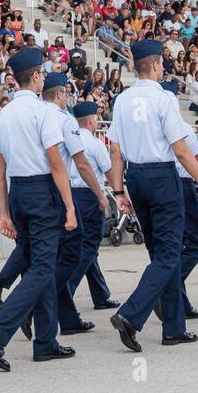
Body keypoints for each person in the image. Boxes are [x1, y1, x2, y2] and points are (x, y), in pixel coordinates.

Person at [106, 41, 198, 352]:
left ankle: (174, 327)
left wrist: (119, 190)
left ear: (135, 66)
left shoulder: (121, 100)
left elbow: (115, 150)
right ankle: (131, 314)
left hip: (136, 175)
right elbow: (182, 150)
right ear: (157, 65)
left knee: (160, 254)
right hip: (161, 176)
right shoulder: (164, 98)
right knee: (171, 253)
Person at [0, 47, 76, 370]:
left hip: (18, 191)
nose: (43, 77)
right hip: (43, 190)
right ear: (34, 77)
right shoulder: (44, 112)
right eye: (42, 73)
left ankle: (45, 341)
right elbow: (57, 164)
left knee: (35, 262)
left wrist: (3, 211)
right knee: (44, 267)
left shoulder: (3, 115)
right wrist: (70, 208)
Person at [41, 70, 104, 336]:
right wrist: (102, 195)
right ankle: (34, 302)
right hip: (63, 192)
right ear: (59, 94)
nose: (68, 97)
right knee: (74, 254)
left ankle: (67, 319)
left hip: (32, 190)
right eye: (66, 92)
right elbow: (82, 163)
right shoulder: (63, 120)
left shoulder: (31, 114)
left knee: (49, 255)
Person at [63, 101, 116, 313]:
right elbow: (110, 173)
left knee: (85, 248)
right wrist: (118, 195)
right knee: (88, 247)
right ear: (92, 120)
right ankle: (66, 290)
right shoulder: (95, 144)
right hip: (90, 195)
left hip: (71, 194)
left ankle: (101, 295)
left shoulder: (70, 140)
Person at [164, 79, 198, 318]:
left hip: (160, 184)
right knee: (193, 244)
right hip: (182, 184)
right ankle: (168, 289)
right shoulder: (181, 126)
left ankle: (177, 298)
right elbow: (197, 162)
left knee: (171, 246)